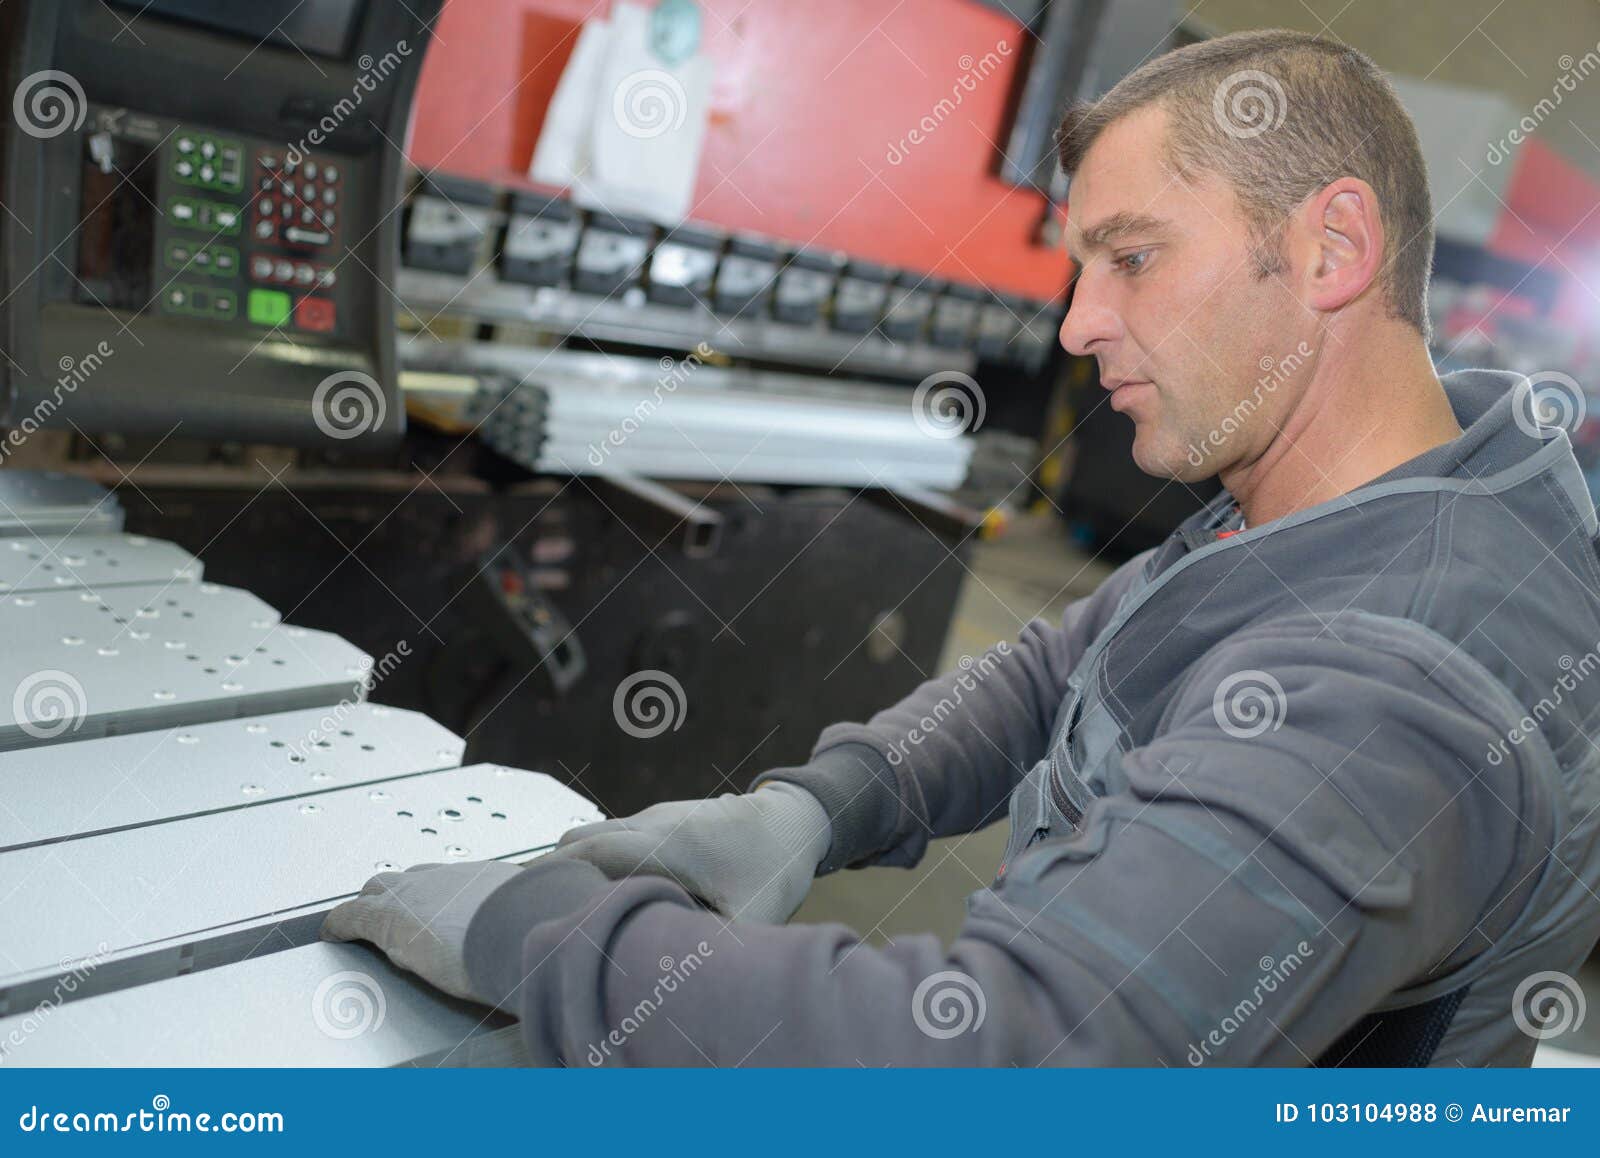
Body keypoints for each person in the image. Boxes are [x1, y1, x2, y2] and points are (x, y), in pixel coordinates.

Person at [324, 29, 1600, 1066]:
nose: (1078, 323)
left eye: (1134, 259)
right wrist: (820, 806)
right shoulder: (1370, 488)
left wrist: (541, 940)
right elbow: (1060, 669)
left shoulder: (1395, 685)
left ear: (1331, 249)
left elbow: (1015, 1058)